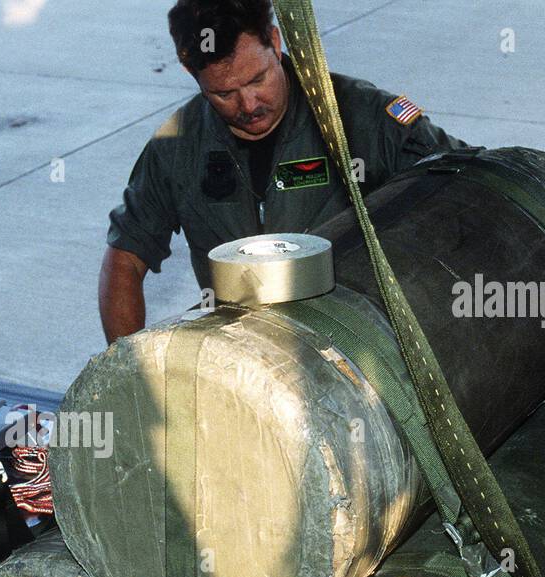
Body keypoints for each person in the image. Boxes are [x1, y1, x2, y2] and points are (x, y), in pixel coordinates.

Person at [100, 0, 468, 342]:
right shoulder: (176, 147)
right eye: (224, 94)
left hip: (358, 349)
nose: (248, 104)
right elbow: (125, 260)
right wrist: (128, 371)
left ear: (275, 42)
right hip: (243, 362)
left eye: (257, 79)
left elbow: (468, 182)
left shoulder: (357, 116)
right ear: (189, 72)